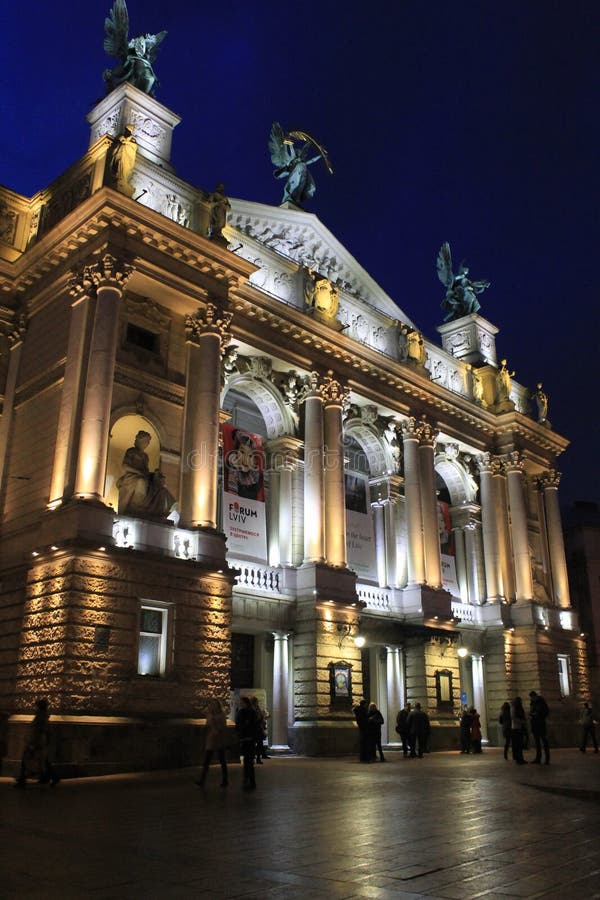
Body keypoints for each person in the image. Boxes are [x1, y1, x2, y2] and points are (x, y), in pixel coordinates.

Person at [116, 431, 176, 517]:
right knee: (142, 482)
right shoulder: (131, 451)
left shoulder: (145, 456)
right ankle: (136, 508)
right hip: (131, 477)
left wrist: (155, 475)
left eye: (148, 442)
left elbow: (146, 472)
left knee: (160, 488)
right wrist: (138, 472)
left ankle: (161, 512)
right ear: (140, 440)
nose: (147, 444)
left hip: (143, 477)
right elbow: (125, 466)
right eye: (146, 441)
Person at [15, 698, 59, 788]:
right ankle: (50, 777)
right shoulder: (43, 716)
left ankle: (22, 780)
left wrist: (32, 743)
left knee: (27, 759)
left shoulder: (40, 717)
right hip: (39, 742)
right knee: (43, 761)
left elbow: (38, 731)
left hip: (37, 742)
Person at [196, 699, 228, 788]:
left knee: (222, 761)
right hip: (211, 739)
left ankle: (225, 780)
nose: (212, 706)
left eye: (214, 704)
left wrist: (217, 728)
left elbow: (223, 727)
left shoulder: (221, 715)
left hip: (219, 740)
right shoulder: (209, 715)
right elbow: (207, 725)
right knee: (206, 761)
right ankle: (202, 780)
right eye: (211, 704)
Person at [235, 696, 258, 790]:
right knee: (248, 761)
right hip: (247, 739)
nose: (240, 703)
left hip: (248, 739)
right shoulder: (245, 712)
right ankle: (249, 780)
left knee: (248, 761)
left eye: (241, 702)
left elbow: (241, 726)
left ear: (245, 703)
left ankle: (249, 780)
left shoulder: (247, 713)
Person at [529, 690, 550, 764]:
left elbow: (546, 712)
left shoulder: (541, 702)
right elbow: (531, 711)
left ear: (535, 696)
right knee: (537, 742)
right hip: (534, 724)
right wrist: (531, 714)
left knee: (544, 741)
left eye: (532, 697)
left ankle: (547, 759)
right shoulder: (532, 702)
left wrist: (538, 714)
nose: (531, 699)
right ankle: (538, 758)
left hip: (541, 724)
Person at [510, 696, 528, 765]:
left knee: (520, 744)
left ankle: (520, 758)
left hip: (519, 728)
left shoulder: (519, 708)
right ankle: (518, 758)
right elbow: (513, 717)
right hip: (515, 728)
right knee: (517, 744)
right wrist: (522, 721)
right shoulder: (513, 708)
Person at [250, 697, 267, 764]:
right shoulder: (253, 709)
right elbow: (257, 718)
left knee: (258, 744)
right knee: (257, 744)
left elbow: (260, 717)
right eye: (256, 701)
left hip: (258, 728)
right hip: (256, 728)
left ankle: (257, 758)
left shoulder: (256, 708)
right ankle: (256, 758)